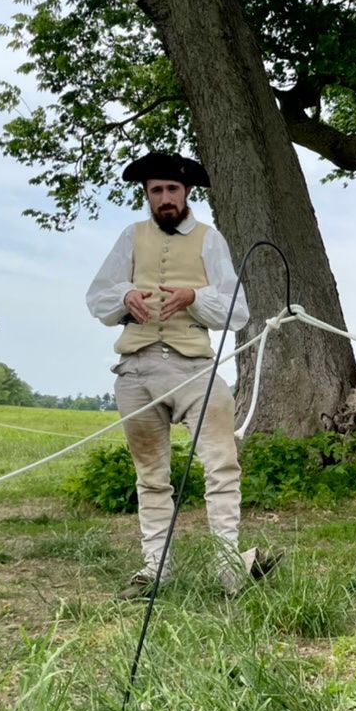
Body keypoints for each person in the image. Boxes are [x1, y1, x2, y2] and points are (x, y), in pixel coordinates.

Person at [86, 151, 280, 599]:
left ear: (187, 192)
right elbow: (98, 298)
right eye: (157, 190)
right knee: (151, 475)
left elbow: (237, 310)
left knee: (221, 465)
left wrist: (194, 295)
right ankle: (155, 571)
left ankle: (230, 571)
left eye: (173, 189)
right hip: (136, 368)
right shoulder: (130, 237)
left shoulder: (210, 240)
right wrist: (126, 296)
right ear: (147, 194)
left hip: (194, 368)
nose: (166, 198)